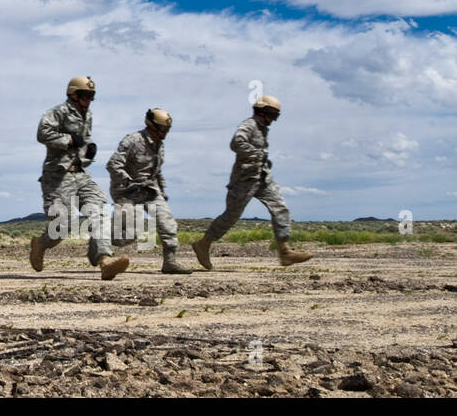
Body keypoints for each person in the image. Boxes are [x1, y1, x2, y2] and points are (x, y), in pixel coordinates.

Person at [192, 95, 313, 269]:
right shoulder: (248, 125)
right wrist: (255, 153)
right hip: (244, 179)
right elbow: (236, 143)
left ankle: (285, 252)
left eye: (275, 116)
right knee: (231, 217)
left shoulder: (263, 128)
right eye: (271, 115)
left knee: (280, 208)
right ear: (262, 112)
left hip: (263, 177)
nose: (273, 120)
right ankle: (203, 244)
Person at [29, 76, 130, 280]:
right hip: (57, 175)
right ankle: (40, 244)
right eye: (86, 95)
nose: (89, 99)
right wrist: (67, 139)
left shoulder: (88, 115)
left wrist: (88, 148)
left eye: (92, 96)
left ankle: (105, 261)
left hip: (81, 174)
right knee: (64, 225)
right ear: (73, 95)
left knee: (100, 209)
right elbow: (42, 133)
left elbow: (83, 138)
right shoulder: (58, 112)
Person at [107, 108, 191, 274]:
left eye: (167, 129)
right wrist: (128, 181)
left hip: (150, 190)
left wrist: (162, 189)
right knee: (130, 234)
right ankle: (100, 238)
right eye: (163, 129)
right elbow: (113, 164)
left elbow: (156, 171)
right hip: (126, 191)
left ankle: (170, 262)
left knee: (167, 223)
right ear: (152, 126)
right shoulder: (132, 140)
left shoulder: (160, 146)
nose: (165, 133)